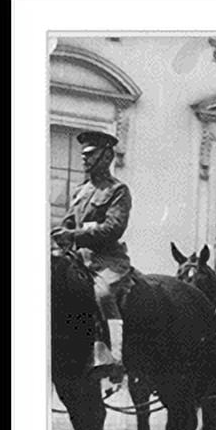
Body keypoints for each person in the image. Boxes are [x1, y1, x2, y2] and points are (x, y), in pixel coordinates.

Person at [50, 130, 132, 385]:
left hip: (106, 260)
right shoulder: (81, 190)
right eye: (83, 155)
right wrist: (61, 234)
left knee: (104, 293)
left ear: (106, 156)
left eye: (91, 154)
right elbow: (68, 223)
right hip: (76, 257)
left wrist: (74, 235)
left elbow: (113, 228)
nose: (84, 159)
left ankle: (115, 358)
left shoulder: (118, 190)